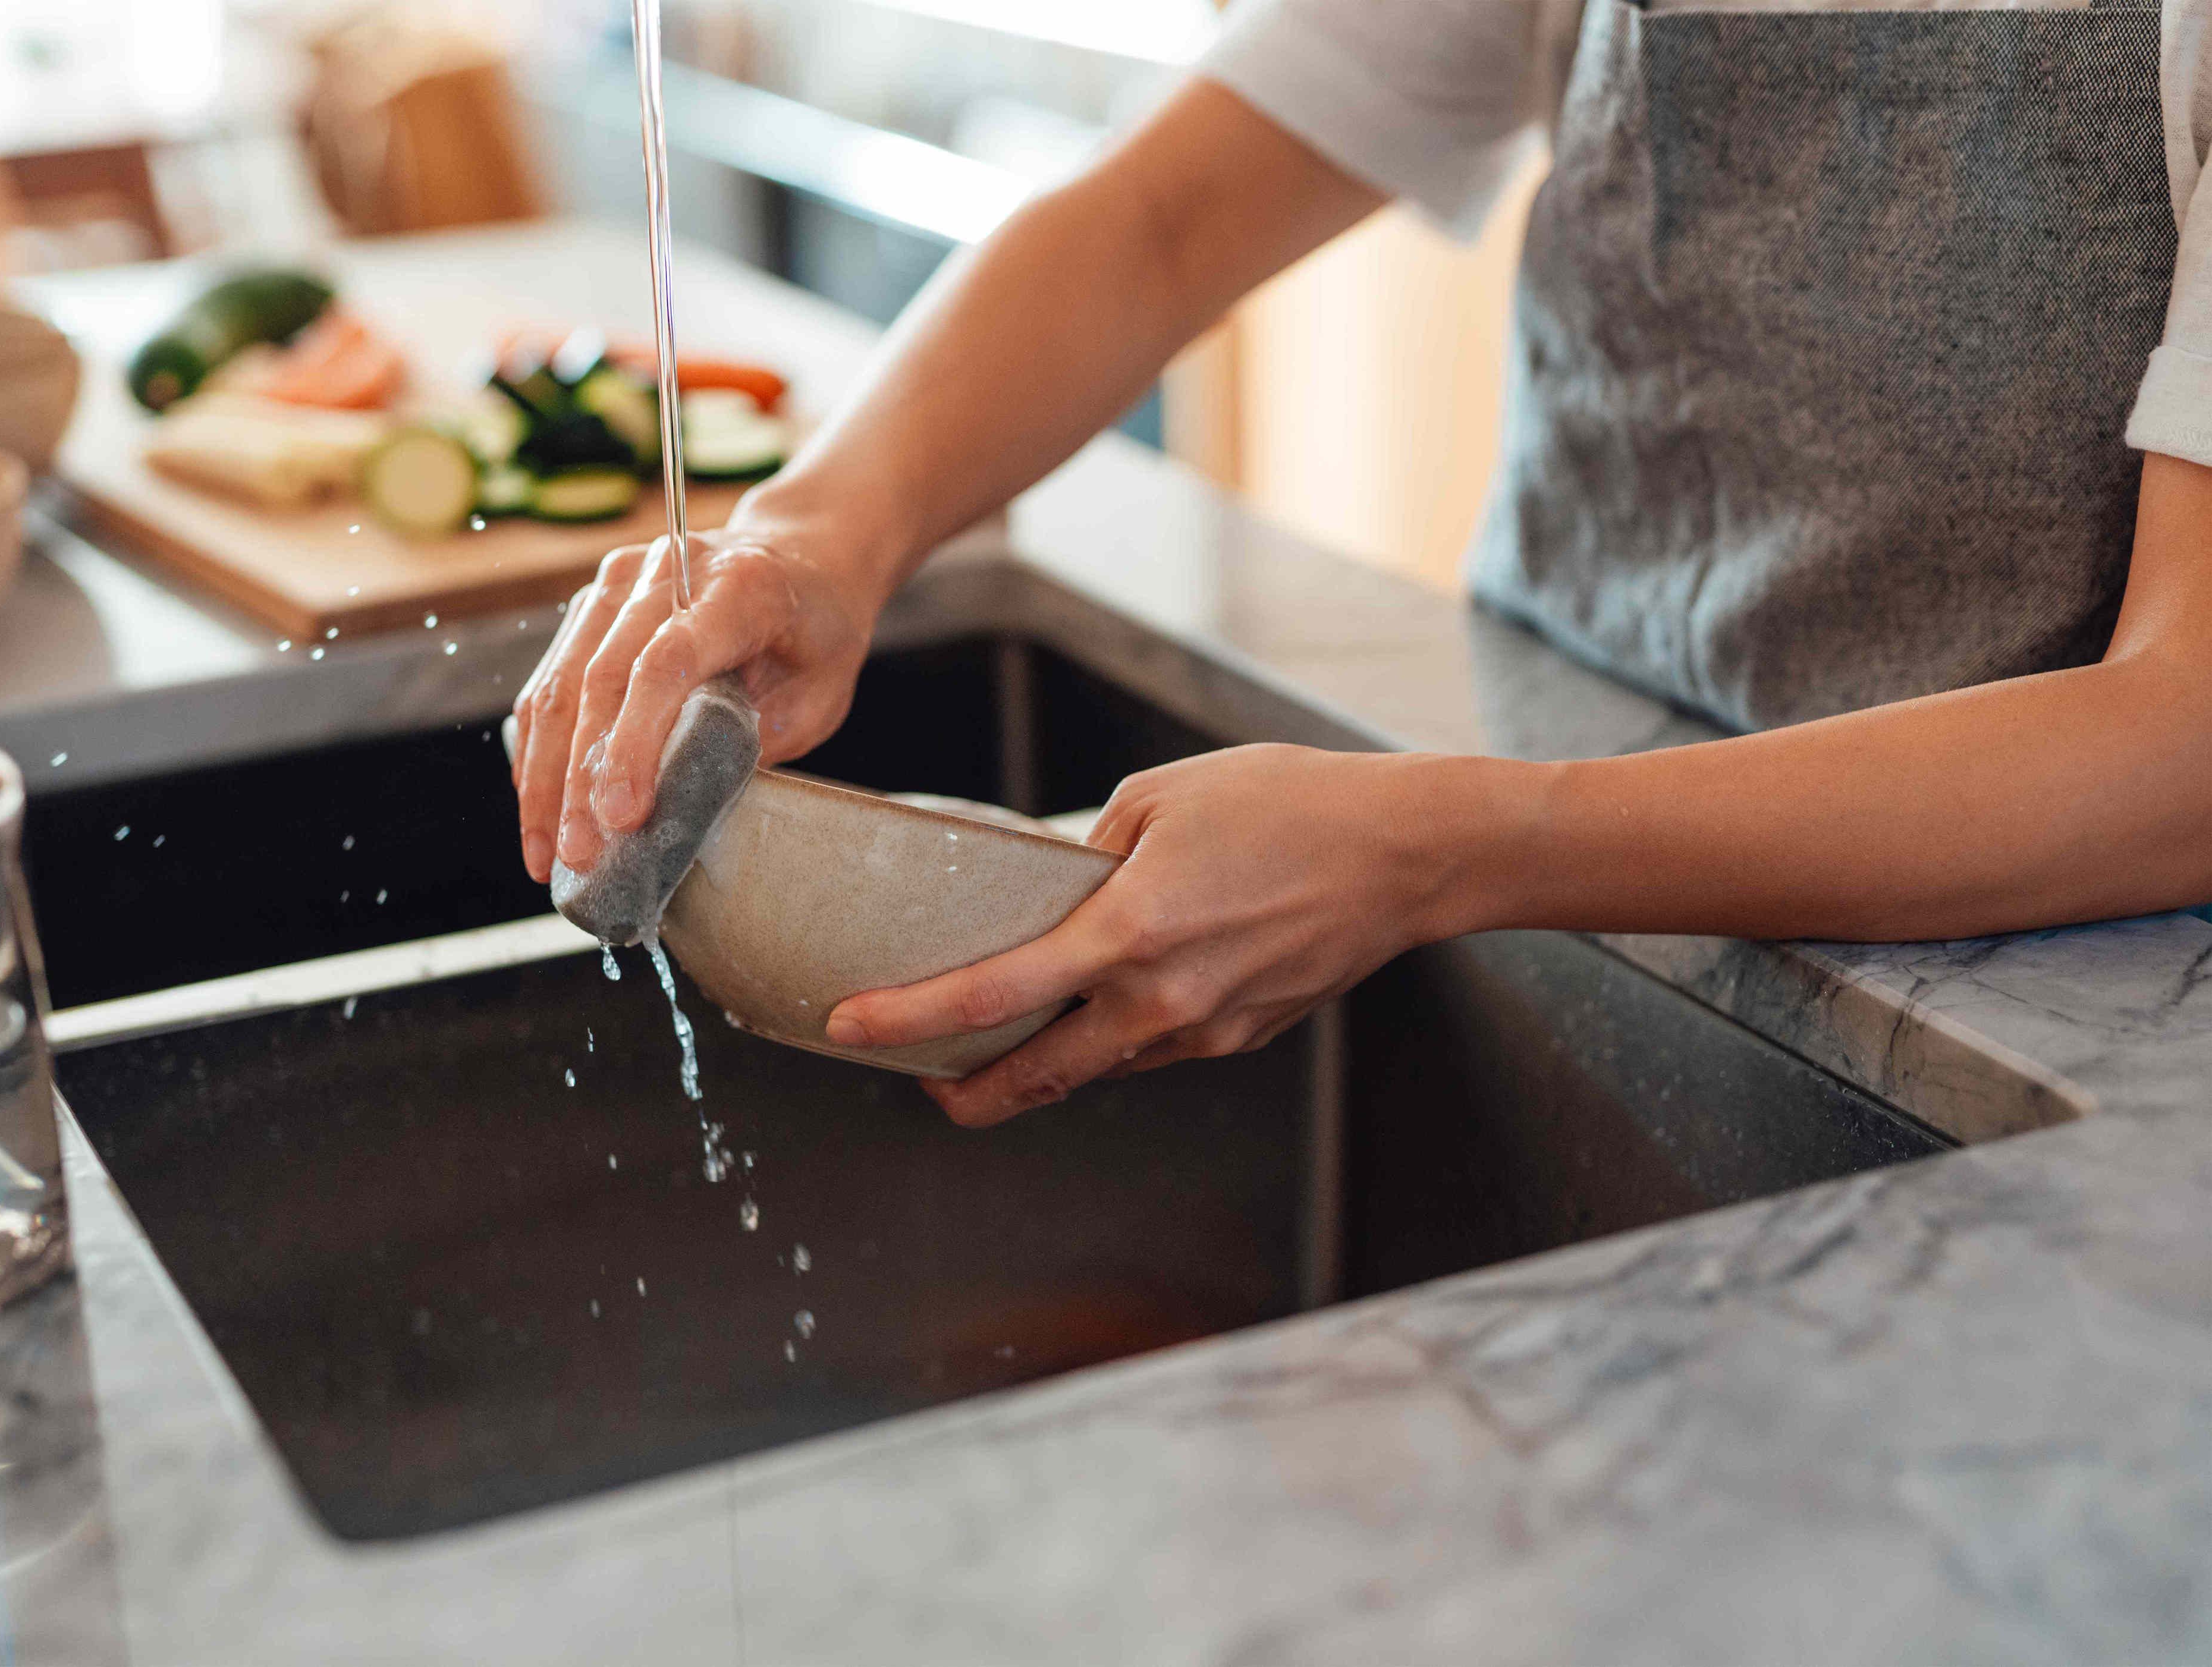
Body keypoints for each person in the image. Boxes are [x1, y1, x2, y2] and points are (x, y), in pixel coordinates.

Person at [514, 0, 2212, 1127]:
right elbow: (1162, 218)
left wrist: (1445, 846)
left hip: (2052, 1017)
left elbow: (2179, 739)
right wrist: (817, 529)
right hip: (1571, 863)